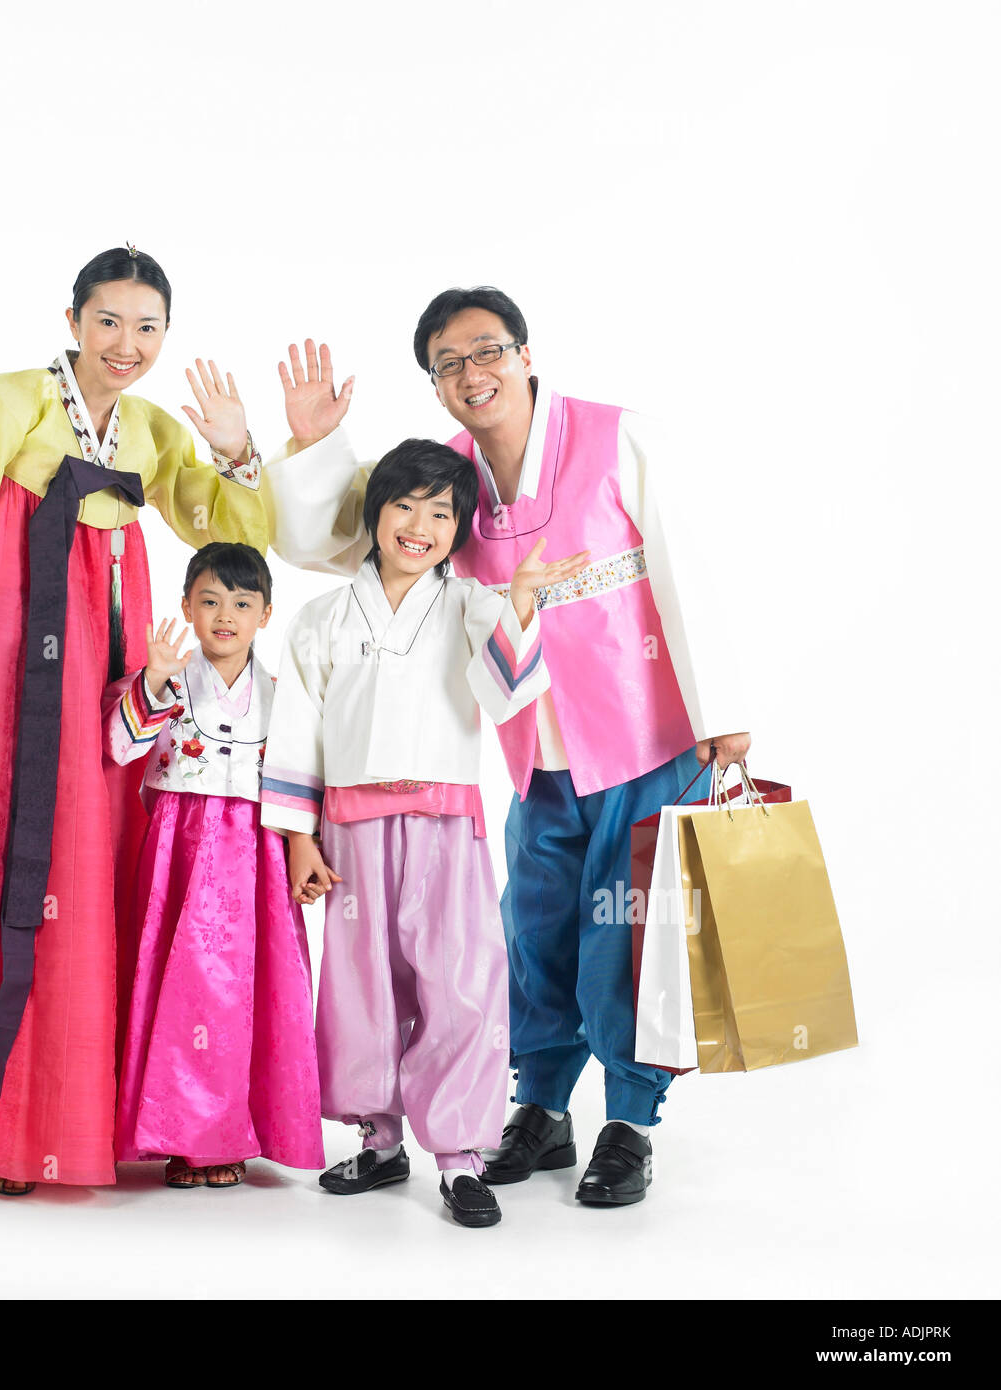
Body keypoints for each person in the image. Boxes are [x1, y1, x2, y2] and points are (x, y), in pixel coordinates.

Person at [264, 302, 750, 1208]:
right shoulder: (450, 474)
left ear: (526, 354)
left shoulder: (614, 436)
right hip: (535, 754)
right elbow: (346, 540)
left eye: (487, 351)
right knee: (532, 936)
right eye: (449, 363)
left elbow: (683, 558)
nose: (472, 373)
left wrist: (719, 708)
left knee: (629, 937)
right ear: (437, 383)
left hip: (646, 735)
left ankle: (630, 1122)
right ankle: (544, 1105)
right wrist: (315, 449)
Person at [0, 246, 298, 1196]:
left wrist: (238, 451)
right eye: (108, 322)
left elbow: (239, 536)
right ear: (72, 320)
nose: (126, 345)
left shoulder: (156, 432)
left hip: (110, 674)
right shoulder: (5, 401)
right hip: (2, 662)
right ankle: (0, 1125)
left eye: (147, 327)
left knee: (88, 873)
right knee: (2, 856)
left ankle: (72, 1112)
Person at [260, 439, 587, 1228]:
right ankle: (378, 1141)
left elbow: (506, 695)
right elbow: (298, 729)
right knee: (361, 985)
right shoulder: (323, 617)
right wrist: (298, 836)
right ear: (373, 514)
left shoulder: (475, 605)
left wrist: (522, 605)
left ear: (459, 527)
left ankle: (461, 1156)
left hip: (446, 824)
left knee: (461, 984)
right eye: (404, 505)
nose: (420, 525)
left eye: (441, 512)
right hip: (351, 829)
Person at [101, 543, 325, 1188]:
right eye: (210, 601)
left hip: (255, 853)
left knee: (243, 992)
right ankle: (177, 1133)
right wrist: (152, 681)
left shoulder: (284, 696)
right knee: (178, 985)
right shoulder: (167, 683)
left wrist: (305, 845)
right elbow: (119, 747)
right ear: (186, 609)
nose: (225, 615)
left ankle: (226, 1134)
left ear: (265, 615)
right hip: (179, 847)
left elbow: (306, 778)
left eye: (242, 603)